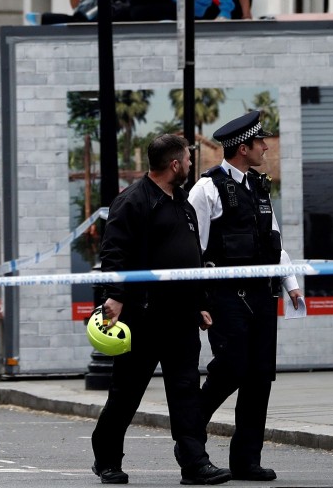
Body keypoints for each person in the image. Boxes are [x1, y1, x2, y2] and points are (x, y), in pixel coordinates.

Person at [90, 134, 232, 486]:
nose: (189, 164)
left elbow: (191, 259)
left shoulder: (181, 203)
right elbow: (114, 255)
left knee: (185, 391)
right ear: (174, 164)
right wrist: (116, 297)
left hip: (181, 318)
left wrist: (199, 303)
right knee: (126, 392)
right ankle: (107, 460)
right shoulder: (133, 202)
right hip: (142, 317)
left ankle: (194, 464)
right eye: (186, 159)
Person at [189, 110, 303, 482]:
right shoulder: (206, 189)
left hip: (261, 295)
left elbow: (274, 242)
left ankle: (246, 459)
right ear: (242, 147)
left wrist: (291, 284)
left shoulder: (259, 186)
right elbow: (196, 250)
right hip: (226, 296)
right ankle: (189, 435)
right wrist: (200, 301)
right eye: (260, 142)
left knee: (259, 377)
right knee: (231, 369)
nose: (266, 147)